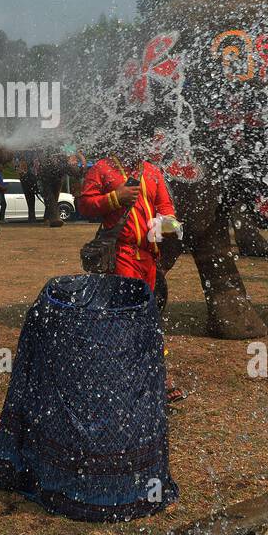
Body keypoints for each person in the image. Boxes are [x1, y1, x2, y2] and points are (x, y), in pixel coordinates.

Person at [78, 155, 184, 403]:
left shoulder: (152, 171)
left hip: (148, 257)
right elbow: (84, 204)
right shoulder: (104, 168)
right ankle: (138, 379)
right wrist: (115, 198)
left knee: (147, 317)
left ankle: (150, 376)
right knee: (127, 317)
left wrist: (168, 225)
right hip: (121, 253)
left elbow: (165, 208)